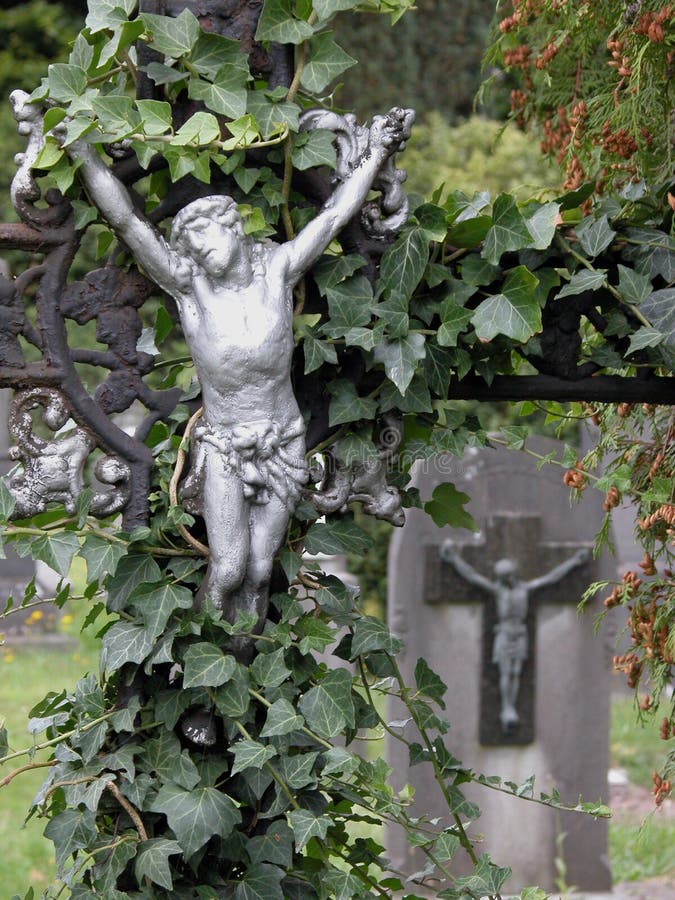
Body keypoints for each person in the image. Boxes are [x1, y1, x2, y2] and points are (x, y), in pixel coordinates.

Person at [19, 90, 413, 633]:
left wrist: (375, 154)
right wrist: (84, 154)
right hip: (225, 445)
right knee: (227, 569)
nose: (202, 251)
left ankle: (243, 657)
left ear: (232, 227)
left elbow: (334, 215)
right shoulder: (189, 289)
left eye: (205, 236)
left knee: (258, 570)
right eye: (191, 244)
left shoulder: (277, 270)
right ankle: (203, 665)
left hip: (282, 438)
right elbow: (129, 223)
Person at [440, 542, 590, 732]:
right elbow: (472, 577)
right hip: (504, 633)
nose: (506, 579)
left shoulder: (525, 589)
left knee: (515, 672)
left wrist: (575, 562)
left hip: (519, 634)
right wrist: (454, 560)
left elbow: (552, 578)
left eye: (508, 575)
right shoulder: (498, 591)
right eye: (503, 577)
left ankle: (511, 708)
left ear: (513, 574)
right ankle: (506, 708)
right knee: (505, 671)